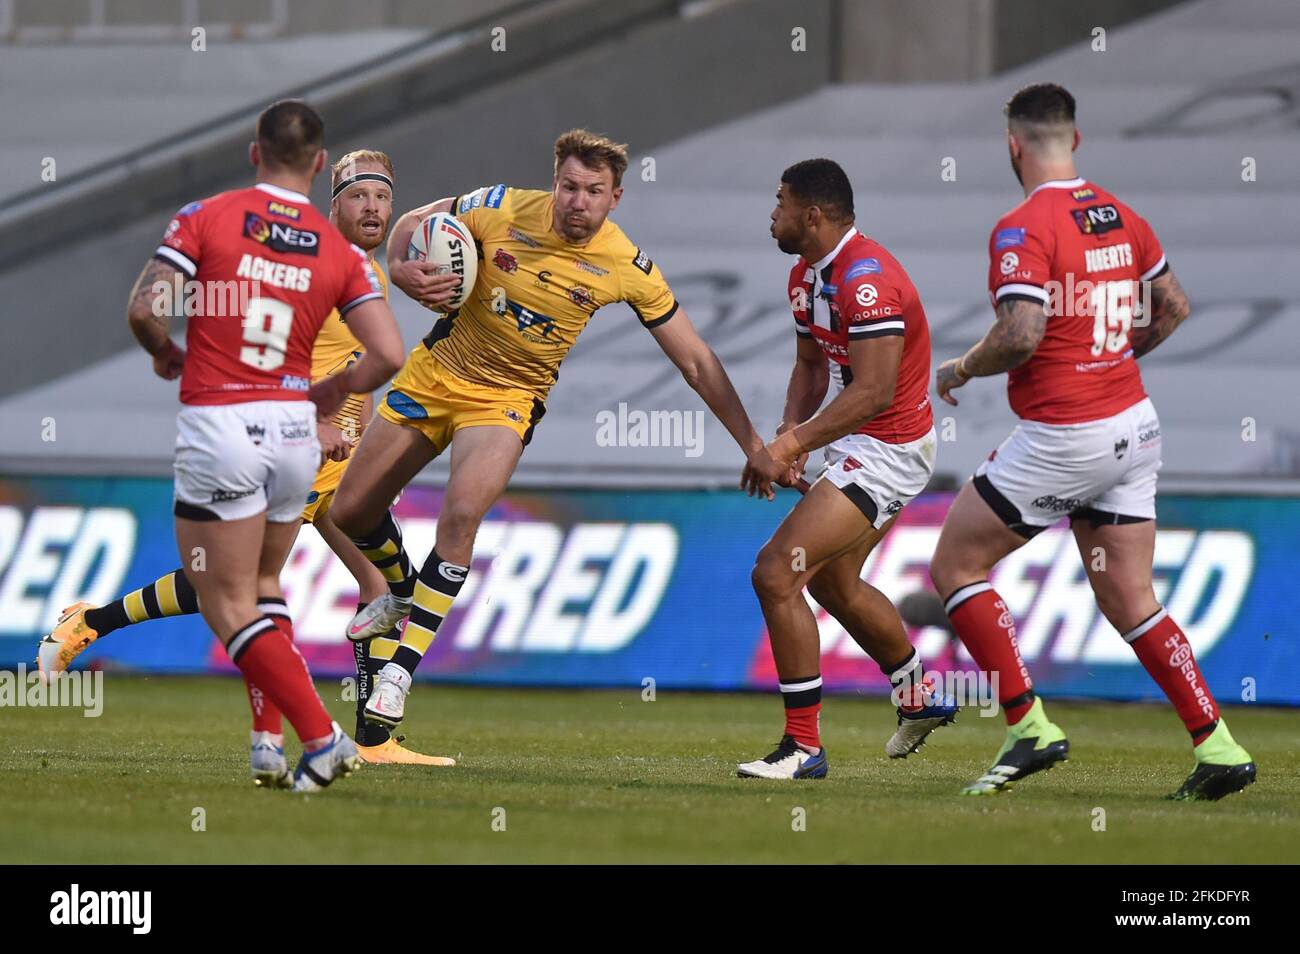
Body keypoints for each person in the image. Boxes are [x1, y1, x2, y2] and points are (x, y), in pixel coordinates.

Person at [328, 129, 770, 731]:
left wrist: (751, 443)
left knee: (461, 514)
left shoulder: (625, 265)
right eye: (568, 186)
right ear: (554, 181)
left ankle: (398, 676)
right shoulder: (503, 206)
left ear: (615, 197)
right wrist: (401, 268)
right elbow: (410, 221)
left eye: (593, 191)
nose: (577, 201)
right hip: (436, 373)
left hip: (508, 400)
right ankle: (401, 591)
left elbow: (695, 361)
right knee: (349, 512)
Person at [40, 149, 451, 772]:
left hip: (340, 461)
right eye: (358, 196)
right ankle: (91, 621)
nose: (372, 207)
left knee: (379, 587)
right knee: (238, 586)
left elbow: (359, 373)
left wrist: (364, 450)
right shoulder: (312, 265)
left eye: (382, 197)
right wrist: (314, 423)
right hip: (294, 448)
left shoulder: (372, 267)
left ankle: (373, 738)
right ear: (331, 202)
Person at [929, 83, 1255, 800]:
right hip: (1134, 425)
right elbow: (1173, 305)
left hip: (1067, 434)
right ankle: (1220, 746)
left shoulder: (1022, 226)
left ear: (1012, 145)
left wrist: (959, 368)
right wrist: (1112, 358)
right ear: (1074, 140)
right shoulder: (1120, 214)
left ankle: (1028, 728)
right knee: (1131, 598)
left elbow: (1019, 335)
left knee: (954, 565)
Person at [127, 100, 403, 791]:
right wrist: (335, 392)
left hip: (221, 426)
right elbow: (389, 354)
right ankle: (266, 743)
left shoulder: (206, 216)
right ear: (318, 165)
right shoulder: (337, 249)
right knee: (262, 586)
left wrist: (165, 352)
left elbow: (145, 307)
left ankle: (320, 737)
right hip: (292, 436)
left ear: (255, 153)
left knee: (221, 600)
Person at [734, 159, 955, 780]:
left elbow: (875, 392)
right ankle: (919, 697)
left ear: (812, 214)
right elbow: (810, 368)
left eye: (779, 203)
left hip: (887, 449)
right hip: (852, 444)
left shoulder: (866, 280)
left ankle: (803, 749)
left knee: (777, 573)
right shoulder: (806, 277)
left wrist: (791, 444)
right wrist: (789, 434)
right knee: (833, 585)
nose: (771, 215)